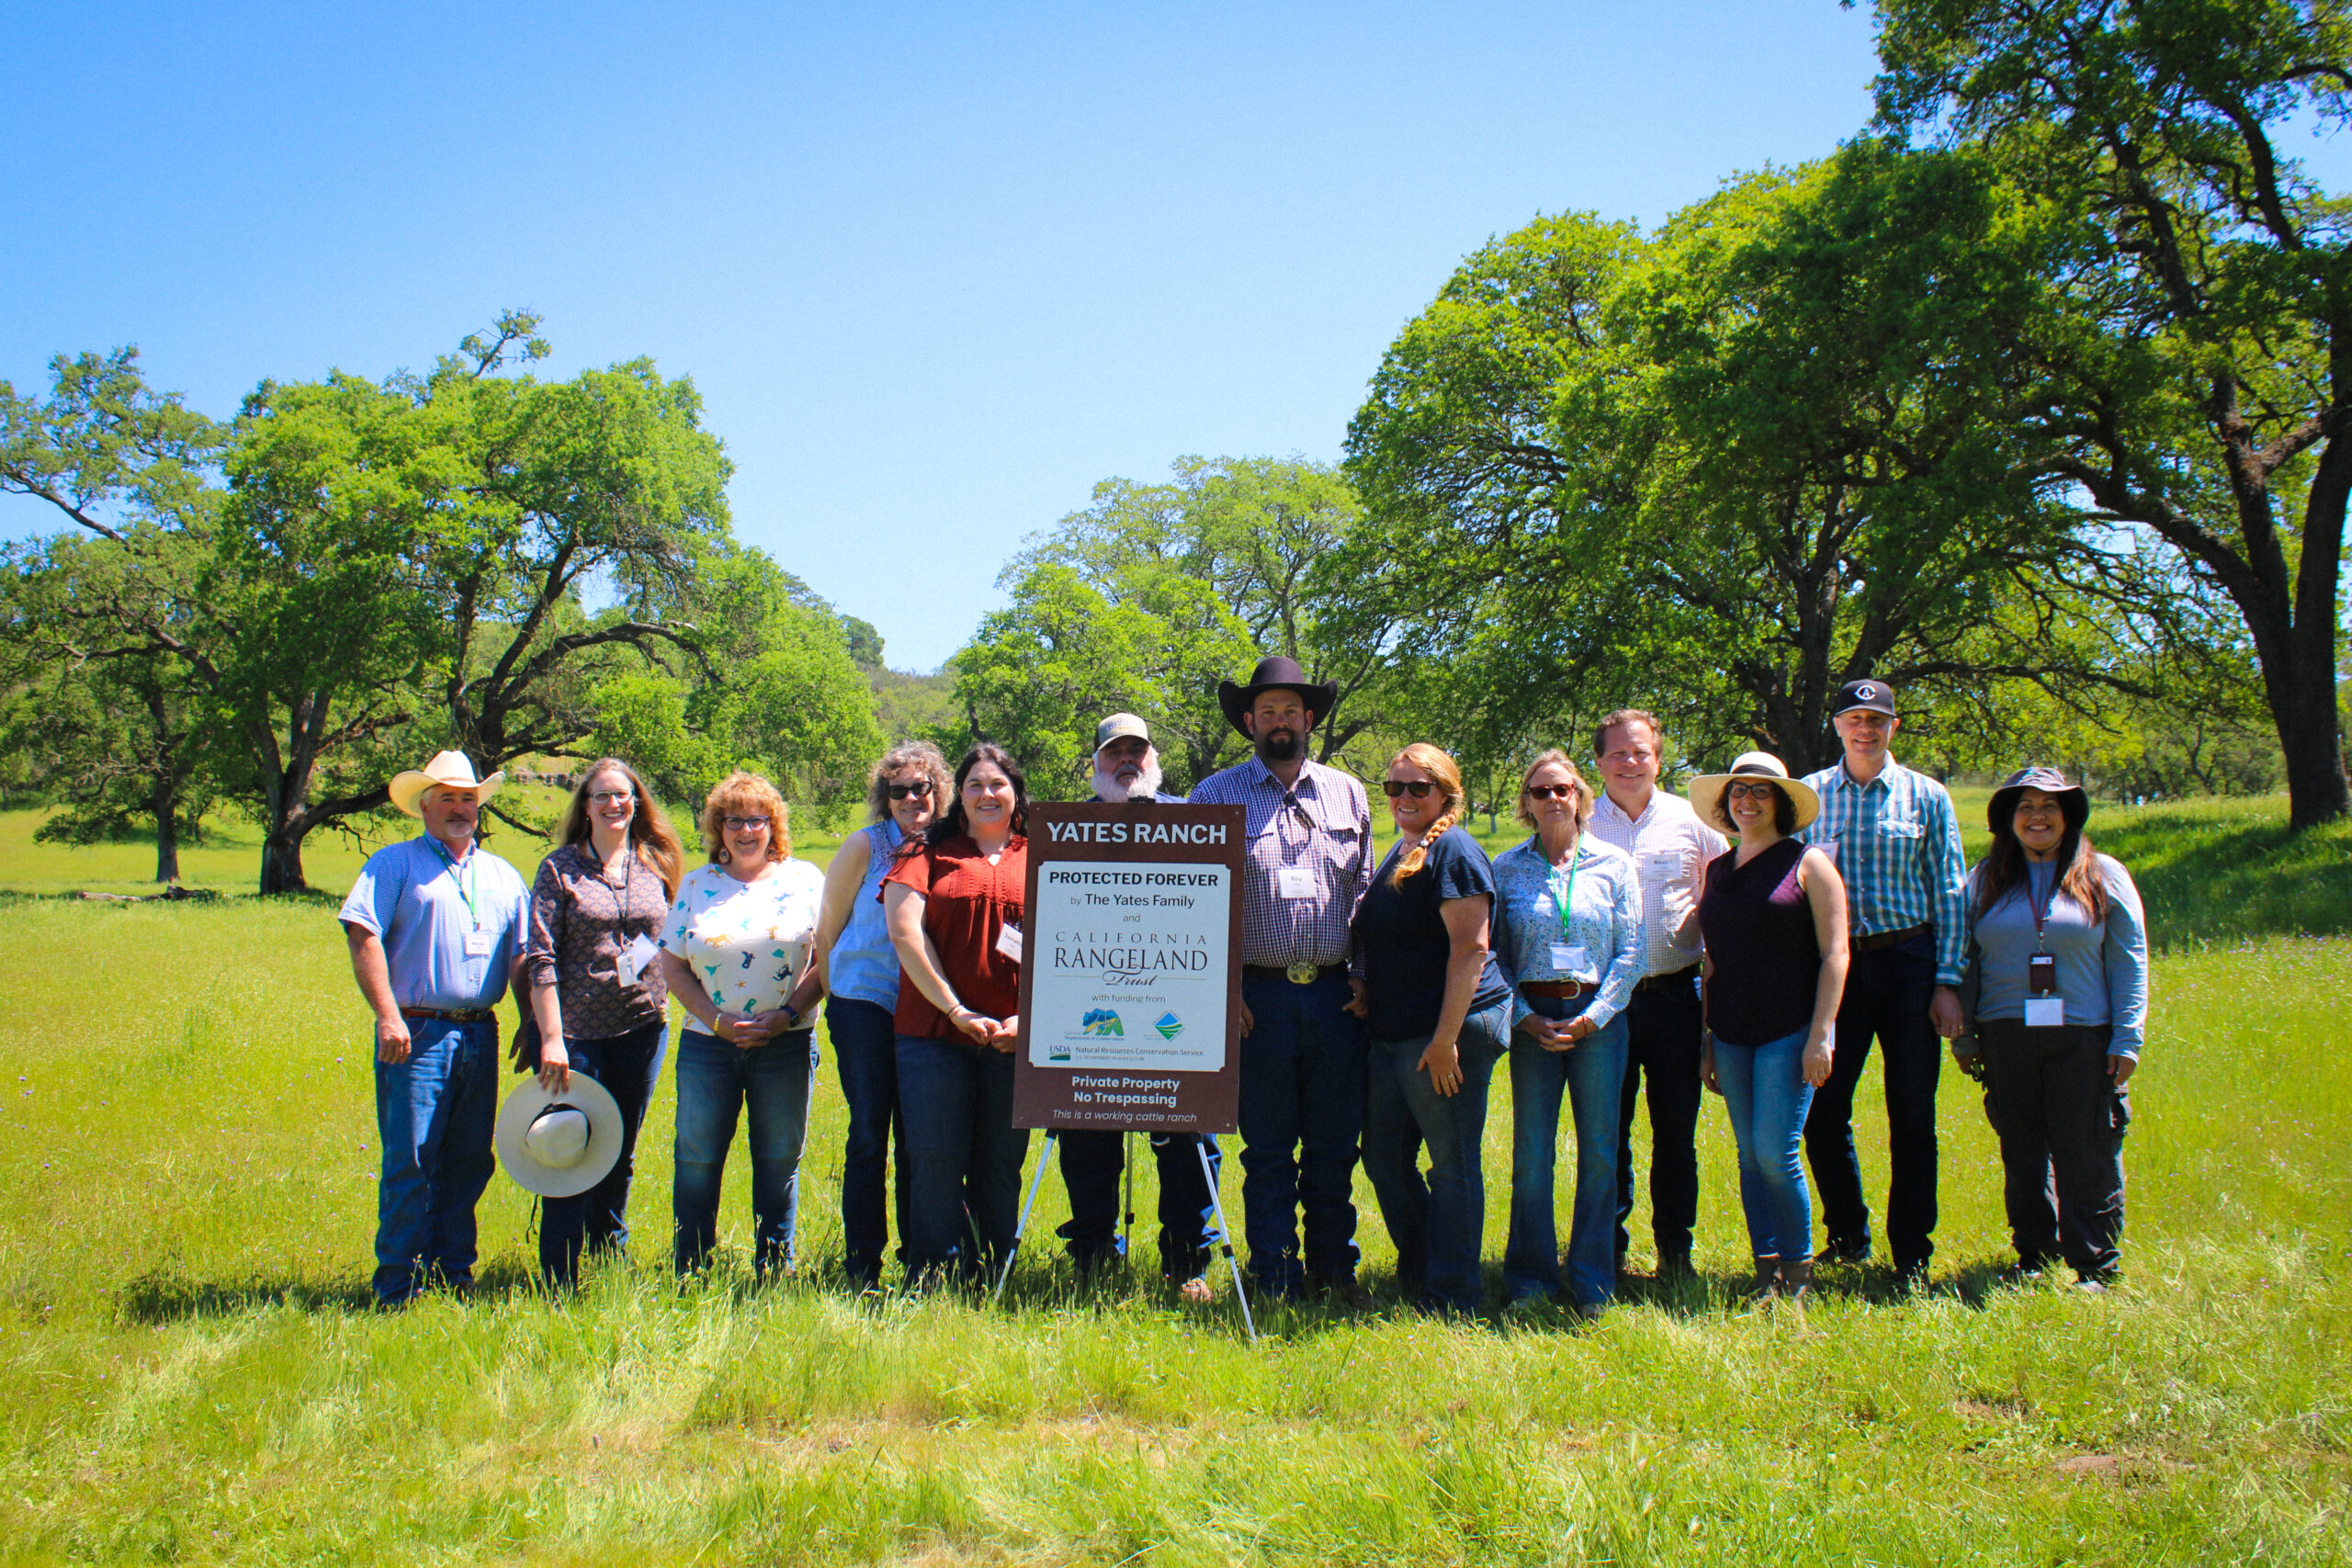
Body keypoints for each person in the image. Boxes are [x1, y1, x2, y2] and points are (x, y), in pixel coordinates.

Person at [1189, 656, 1376, 1304]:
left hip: (1333, 995)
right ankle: (1273, 1276)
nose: (1278, 721)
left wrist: (1362, 976)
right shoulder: (1213, 797)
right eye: (1266, 711)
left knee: (1332, 1147)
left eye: (1289, 711)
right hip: (1255, 996)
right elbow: (1196, 904)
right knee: (1267, 1150)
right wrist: (1224, 987)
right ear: (1249, 720)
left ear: (1309, 719)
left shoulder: (1349, 794)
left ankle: (1334, 1271)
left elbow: (1365, 896)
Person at [339, 750, 530, 1307]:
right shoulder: (393, 865)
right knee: (413, 1159)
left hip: (481, 1031)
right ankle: (396, 1286)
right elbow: (362, 933)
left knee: (470, 1158)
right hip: (417, 1033)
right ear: (423, 805)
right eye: (446, 797)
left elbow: (522, 956)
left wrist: (529, 1019)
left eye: (468, 798)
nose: (459, 807)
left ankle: (453, 1276)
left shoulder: (501, 874)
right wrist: (387, 1015)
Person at [1799, 678, 1968, 1288]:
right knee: (1821, 1108)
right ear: (1838, 725)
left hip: (1909, 965)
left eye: (1876, 719)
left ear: (1892, 727)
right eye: (1853, 718)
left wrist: (1948, 980)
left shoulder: (1927, 796)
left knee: (1912, 1114)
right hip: (1836, 970)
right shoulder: (1811, 797)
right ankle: (1847, 1234)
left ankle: (1911, 1252)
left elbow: (1949, 892)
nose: (1864, 729)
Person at [1051, 713, 1225, 1300]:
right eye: (1114, 752)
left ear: (1154, 759)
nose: (1126, 761)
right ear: (1095, 762)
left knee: (1188, 1140)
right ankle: (1095, 1254)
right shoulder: (1066, 827)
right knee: (1085, 1135)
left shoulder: (1192, 824)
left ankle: (1186, 1263)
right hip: (1090, 1008)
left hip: (1176, 1011)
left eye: (1137, 752)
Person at [1954, 768, 2148, 1290]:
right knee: (2021, 1149)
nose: (2037, 817)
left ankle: (2095, 1263)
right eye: (2025, 807)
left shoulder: (2104, 875)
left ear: (2069, 817)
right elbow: (1965, 960)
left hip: (2084, 1034)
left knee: (2084, 1147)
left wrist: (2127, 1036)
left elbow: (2130, 960)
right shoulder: (1985, 879)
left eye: (2049, 807)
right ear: (2007, 820)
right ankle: (2034, 1252)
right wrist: (1965, 1035)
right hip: (2006, 1033)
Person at [1354, 743, 1514, 1314]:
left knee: (1451, 1164)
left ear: (1447, 792)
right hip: (1396, 1031)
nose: (1403, 797)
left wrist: (1446, 1041)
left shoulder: (1455, 850)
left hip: (1447, 1033)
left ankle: (1454, 1293)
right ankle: (1423, 1267)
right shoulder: (1401, 850)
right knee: (1382, 1158)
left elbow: (1471, 950)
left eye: (1418, 788)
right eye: (1394, 787)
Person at [1691, 752, 1849, 1304]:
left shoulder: (1809, 864)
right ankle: (1767, 1272)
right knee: (1747, 1154)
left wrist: (1822, 1033)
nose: (1747, 801)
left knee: (1774, 1151)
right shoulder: (1719, 869)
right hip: (1732, 1032)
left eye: (1761, 792)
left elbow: (1835, 954)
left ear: (1781, 802)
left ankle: (1800, 1275)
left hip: (1790, 1028)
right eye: (1738, 791)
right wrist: (1708, 1039)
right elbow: (1713, 961)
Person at [522, 758, 686, 1288]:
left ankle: (608, 1253)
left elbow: (670, 940)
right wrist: (550, 1039)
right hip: (575, 1036)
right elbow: (540, 958)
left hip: (642, 1029)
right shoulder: (559, 869)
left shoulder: (655, 865)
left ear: (636, 802)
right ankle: (560, 1273)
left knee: (620, 1147)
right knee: (569, 1144)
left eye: (623, 795)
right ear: (586, 805)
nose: (614, 804)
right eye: (602, 796)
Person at [1492, 750, 1644, 1318]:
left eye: (1562, 789)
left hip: (1597, 1025)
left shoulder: (1614, 864)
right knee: (1532, 1155)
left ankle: (1592, 1282)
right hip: (1532, 1022)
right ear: (1526, 806)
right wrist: (1524, 1017)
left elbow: (1632, 952)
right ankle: (1530, 1280)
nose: (1553, 799)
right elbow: (1494, 959)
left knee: (1601, 1154)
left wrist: (1594, 1016)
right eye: (1540, 792)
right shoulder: (1505, 868)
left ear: (1580, 796)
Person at [659, 772, 827, 1279]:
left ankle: (775, 1267)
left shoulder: (805, 880)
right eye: (735, 820)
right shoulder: (697, 884)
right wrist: (716, 1021)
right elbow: (672, 965)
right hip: (707, 1045)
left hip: (787, 1043)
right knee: (697, 1156)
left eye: (758, 819)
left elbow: (826, 959)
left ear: (773, 825)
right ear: (718, 827)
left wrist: (786, 1015)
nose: (747, 830)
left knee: (778, 1158)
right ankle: (691, 1266)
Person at [883, 742, 1033, 1285]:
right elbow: (906, 933)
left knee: (1000, 1161)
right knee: (933, 1156)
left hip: (1014, 1037)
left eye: (997, 784)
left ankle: (995, 1268)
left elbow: (1075, 939)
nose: (987, 794)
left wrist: (1031, 1020)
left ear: (1015, 792)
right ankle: (934, 1270)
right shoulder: (926, 851)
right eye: (975, 785)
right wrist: (954, 1009)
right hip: (932, 1035)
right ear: (959, 796)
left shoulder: (1043, 852)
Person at [1586, 708, 1726, 1282]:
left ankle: (1675, 1253)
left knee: (1675, 1134)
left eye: (1640, 751)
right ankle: (1607, 1253)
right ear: (1598, 762)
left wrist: (1715, 1020)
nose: (1629, 762)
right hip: (1606, 1004)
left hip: (1676, 997)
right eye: (1617, 753)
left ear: (1659, 759)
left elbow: (1721, 916)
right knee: (1606, 1133)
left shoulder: (1694, 823)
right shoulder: (1582, 820)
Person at [811, 740, 951, 1290]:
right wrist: (832, 995)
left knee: (921, 1136)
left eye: (922, 787)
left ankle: (921, 1258)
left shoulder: (951, 846)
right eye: (899, 791)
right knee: (870, 1132)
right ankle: (862, 1264)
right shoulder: (863, 847)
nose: (912, 798)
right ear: (884, 797)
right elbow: (827, 929)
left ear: (939, 790)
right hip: (864, 1001)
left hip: (927, 1006)